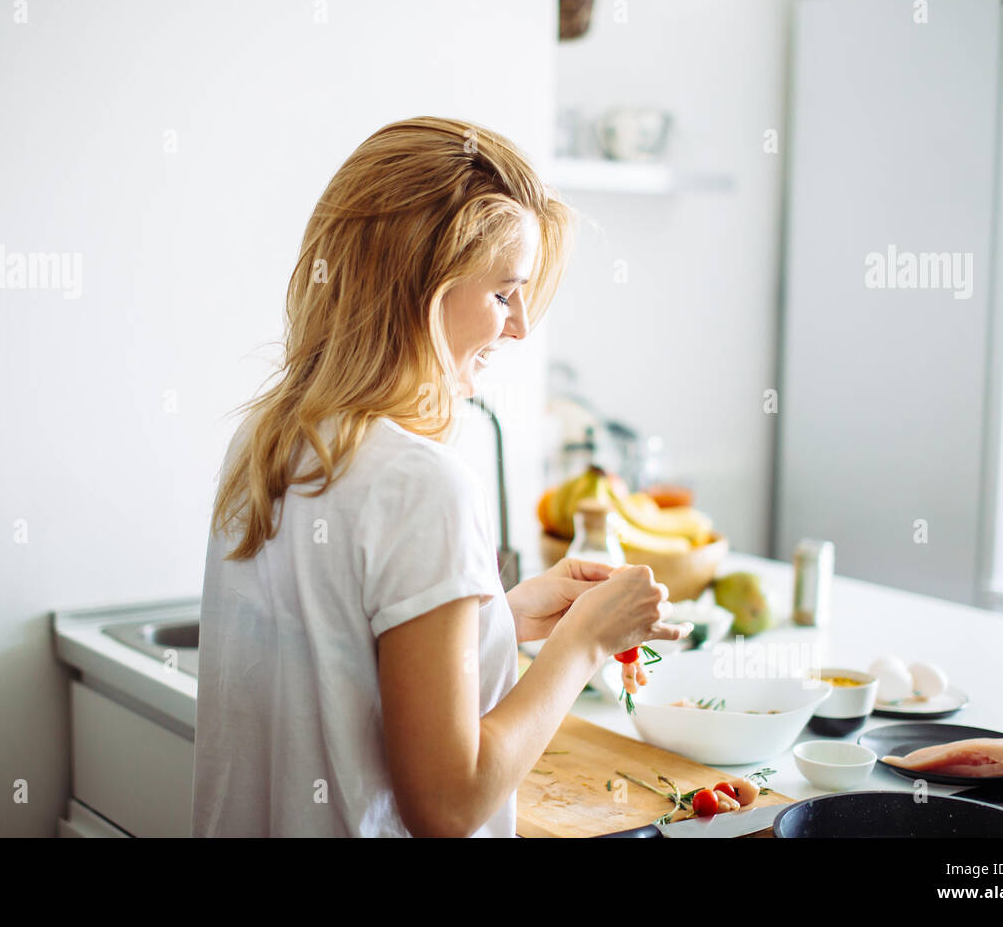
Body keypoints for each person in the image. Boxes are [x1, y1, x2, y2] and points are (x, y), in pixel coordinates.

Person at [191, 116, 688, 837]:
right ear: (419, 290)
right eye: (501, 294)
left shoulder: (270, 441)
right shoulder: (421, 484)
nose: (517, 327)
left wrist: (495, 621)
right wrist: (583, 644)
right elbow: (448, 804)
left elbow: (334, 664)